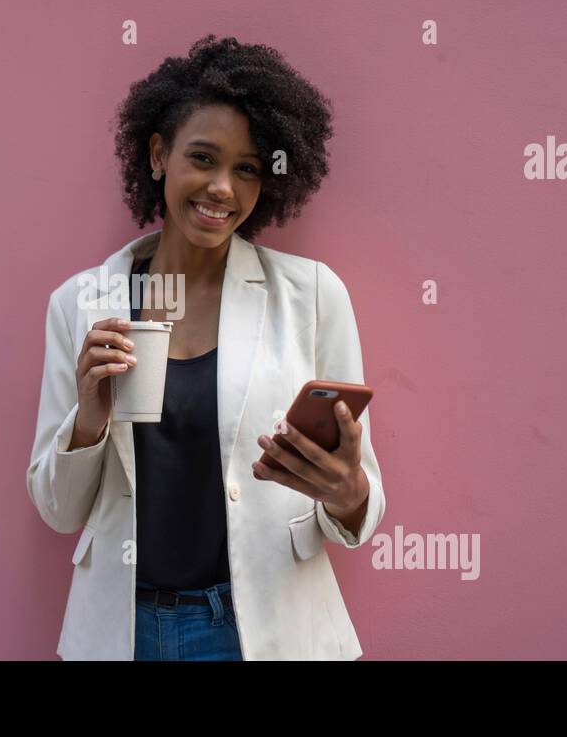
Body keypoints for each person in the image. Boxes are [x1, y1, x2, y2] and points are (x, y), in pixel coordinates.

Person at [26, 35, 385, 660]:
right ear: (159, 154)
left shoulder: (313, 296)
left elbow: (359, 511)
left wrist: (346, 490)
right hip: (122, 630)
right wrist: (88, 419)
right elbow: (59, 511)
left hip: (261, 631)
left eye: (246, 168)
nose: (223, 187)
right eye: (203, 157)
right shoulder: (81, 303)